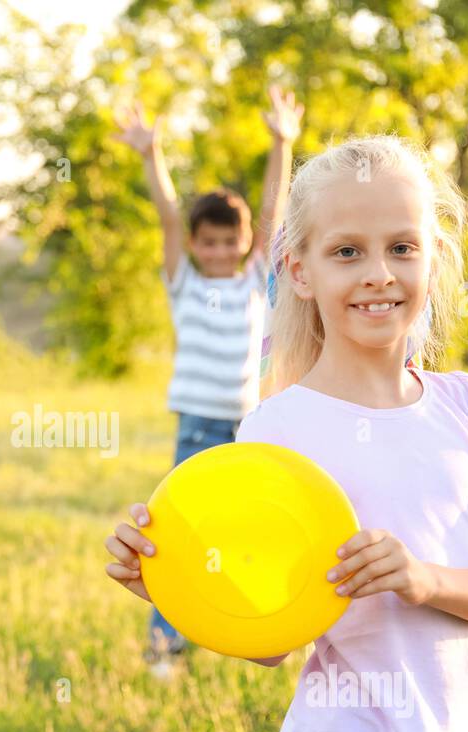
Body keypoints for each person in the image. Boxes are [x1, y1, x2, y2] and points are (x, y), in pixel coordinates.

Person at [103, 134, 468, 732]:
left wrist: (422, 578)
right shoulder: (279, 428)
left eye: (403, 247)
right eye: (348, 252)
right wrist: (163, 581)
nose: (380, 273)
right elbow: (271, 640)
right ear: (298, 271)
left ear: (433, 258)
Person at [113, 85, 304, 678]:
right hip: (197, 425)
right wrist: (151, 155)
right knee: (180, 534)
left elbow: (275, 212)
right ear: (195, 246)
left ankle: (245, 625)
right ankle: (165, 644)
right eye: (209, 242)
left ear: (245, 244)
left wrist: (282, 143)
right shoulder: (185, 283)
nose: (221, 251)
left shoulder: (253, 281)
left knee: (246, 529)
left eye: (231, 241)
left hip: (249, 424)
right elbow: (167, 216)